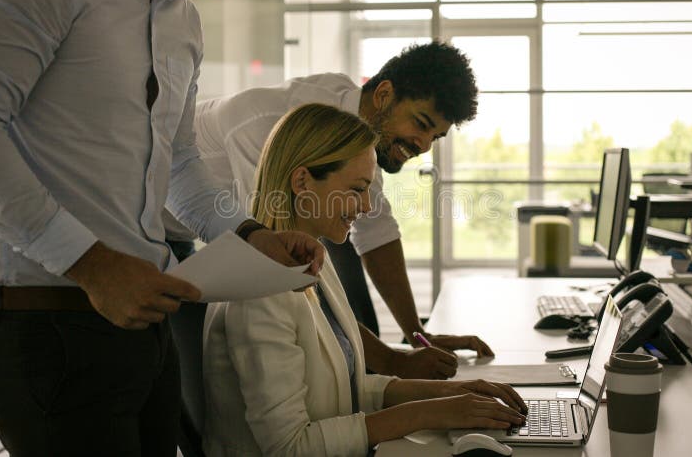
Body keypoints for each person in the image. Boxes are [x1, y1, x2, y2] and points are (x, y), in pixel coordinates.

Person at [0, 0, 323, 455]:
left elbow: (179, 164)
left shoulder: (182, 19)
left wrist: (249, 235)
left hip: (146, 325)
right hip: (47, 324)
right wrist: (93, 264)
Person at [203, 104, 527, 456]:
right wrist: (429, 412)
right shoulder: (260, 290)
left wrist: (452, 395)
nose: (367, 206)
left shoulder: (314, 260)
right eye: (357, 189)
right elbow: (290, 447)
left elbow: (346, 387)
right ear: (302, 182)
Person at [176, 41, 493, 379]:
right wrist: (393, 362)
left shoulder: (356, 136)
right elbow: (278, 263)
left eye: (437, 137)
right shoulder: (272, 125)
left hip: (203, 230)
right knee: (180, 376)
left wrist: (418, 336)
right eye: (421, 123)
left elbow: (377, 235)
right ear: (384, 94)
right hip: (151, 225)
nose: (424, 145)